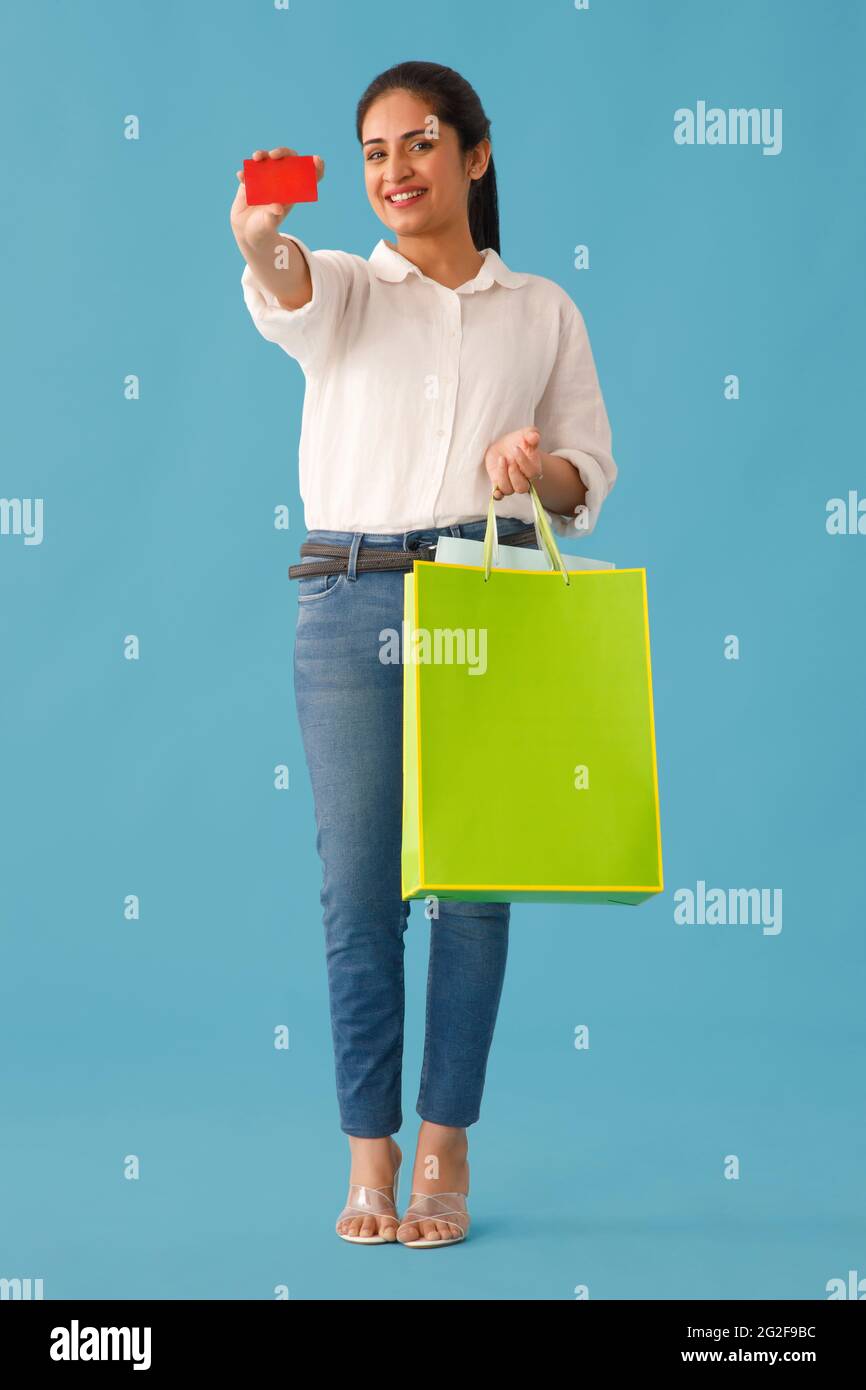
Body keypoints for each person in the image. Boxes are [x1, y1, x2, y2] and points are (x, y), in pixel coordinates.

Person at [230, 60, 617, 1248]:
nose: (394, 171)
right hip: (347, 598)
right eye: (374, 154)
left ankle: (444, 1146)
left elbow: (584, 473)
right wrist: (261, 236)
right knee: (358, 894)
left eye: (419, 144)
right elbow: (288, 285)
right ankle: (370, 1154)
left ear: (474, 155)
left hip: (481, 598)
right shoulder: (349, 287)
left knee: (472, 882)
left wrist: (530, 466)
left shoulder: (542, 309)